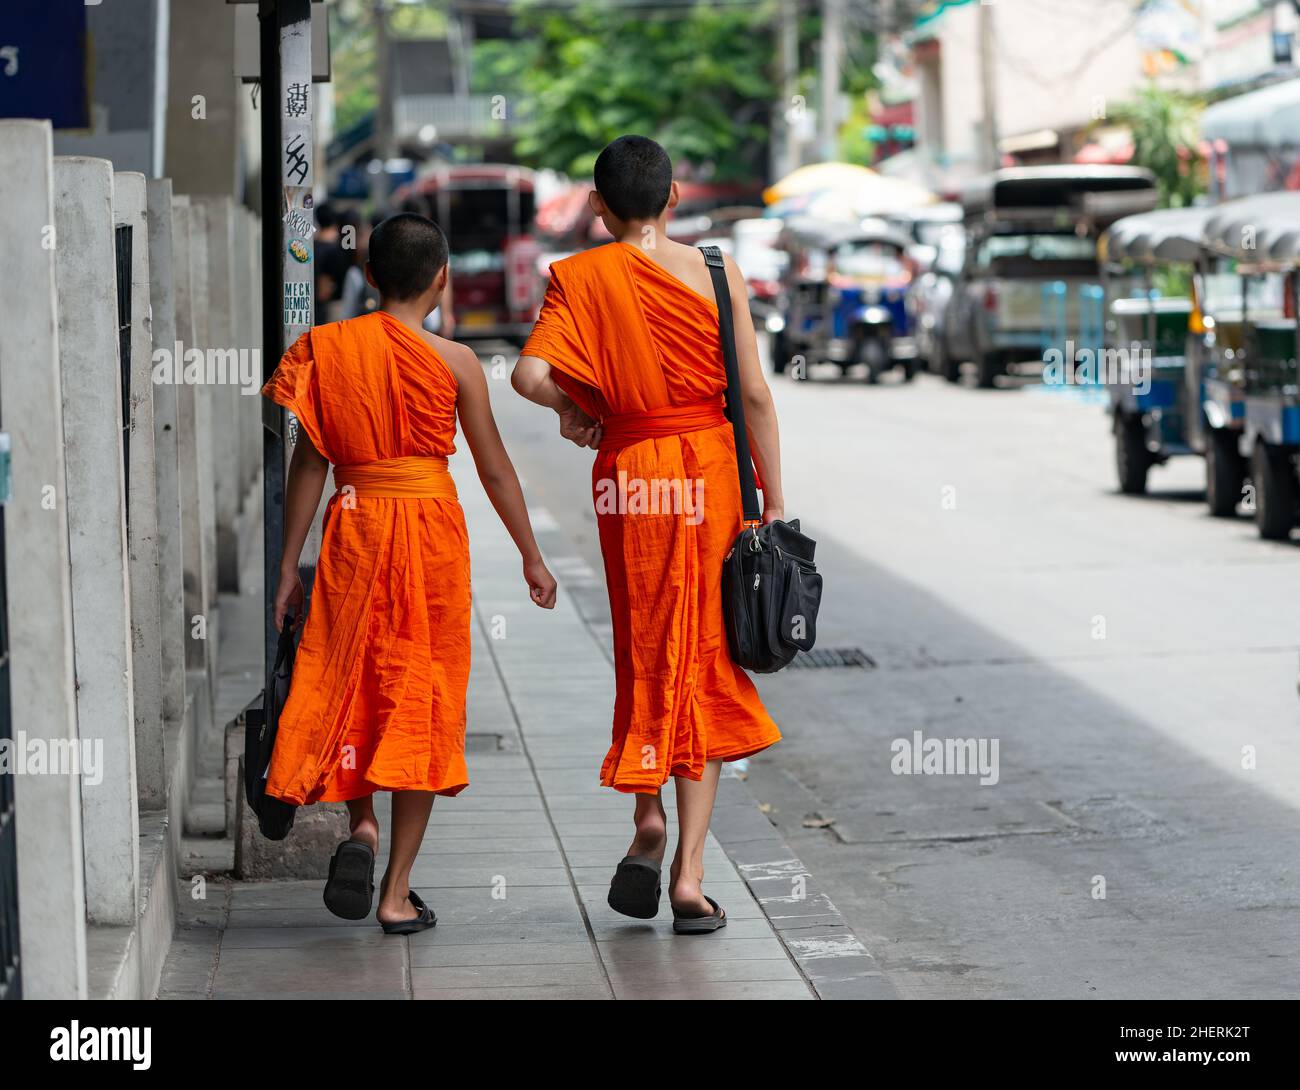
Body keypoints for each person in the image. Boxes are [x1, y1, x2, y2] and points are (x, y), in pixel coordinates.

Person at [511, 135, 784, 933]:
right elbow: (757, 396)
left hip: (631, 474)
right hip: (707, 471)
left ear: (597, 207)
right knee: (703, 651)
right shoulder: (716, 270)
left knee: (646, 644)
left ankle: (646, 821)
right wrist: (771, 498)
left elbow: (528, 376)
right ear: (673, 201)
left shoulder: (581, 277)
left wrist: (574, 411)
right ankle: (691, 878)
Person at [264, 212, 557, 934]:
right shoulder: (457, 362)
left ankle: (360, 828)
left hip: (354, 524)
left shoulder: (323, 348)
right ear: (442, 279)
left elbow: (309, 462)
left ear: (367, 277)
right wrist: (530, 554)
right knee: (419, 694)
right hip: (428, 531)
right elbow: (492, 468)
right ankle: (396, 893)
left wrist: (285, 566)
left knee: (352, 677)